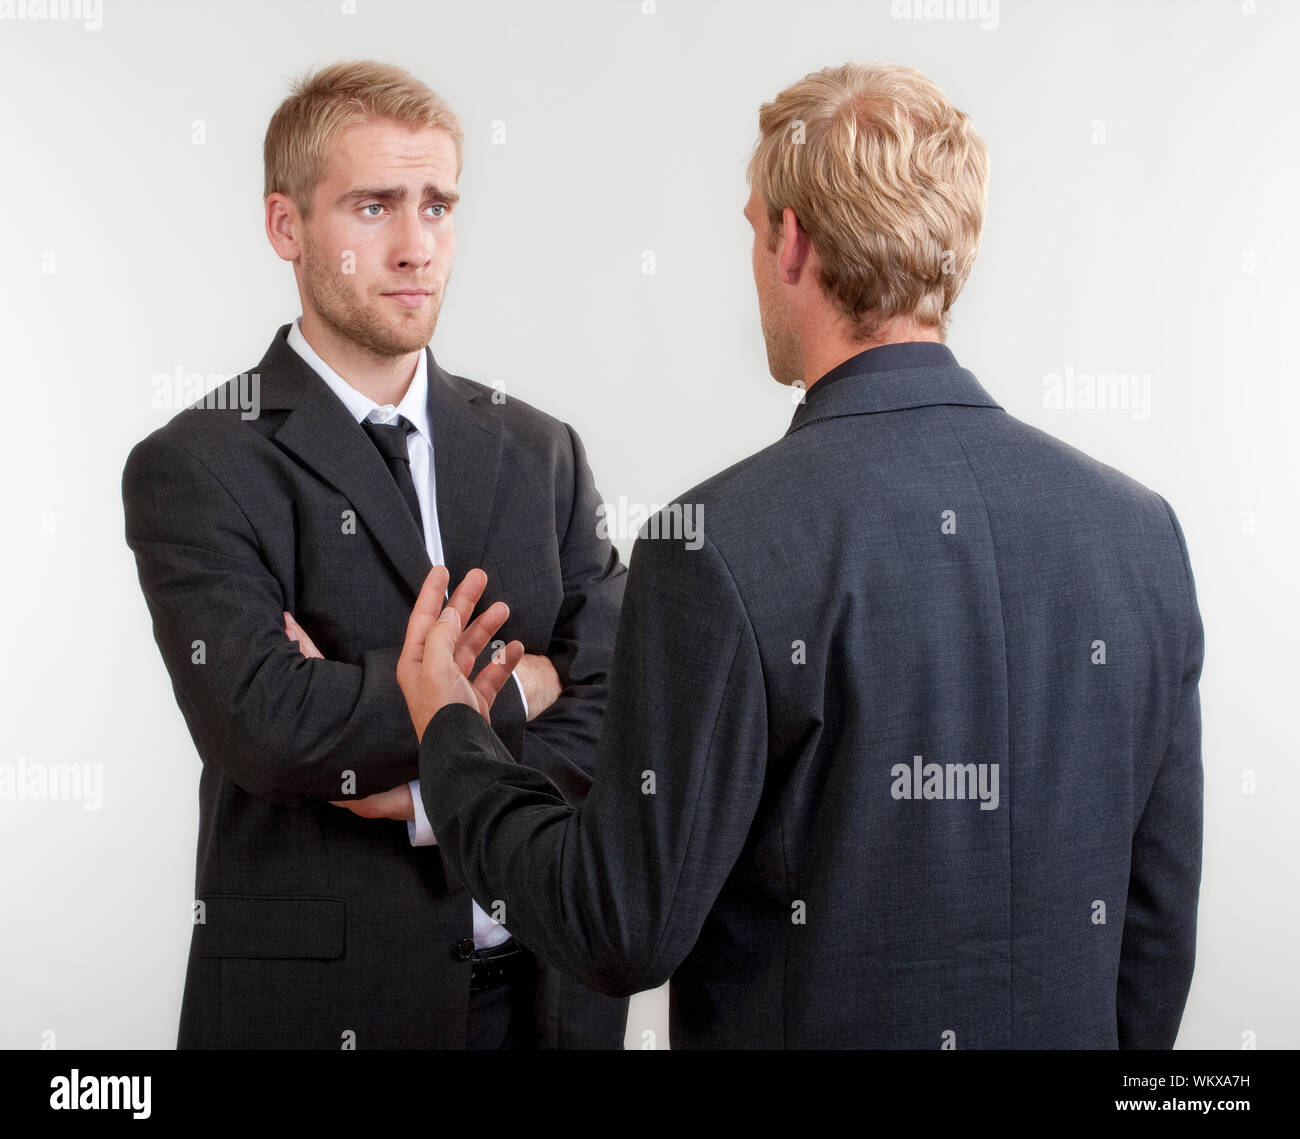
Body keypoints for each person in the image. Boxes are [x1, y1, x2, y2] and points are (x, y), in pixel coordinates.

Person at [353, 61, 1205, 1050]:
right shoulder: (1140, 532)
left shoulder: (712, 543)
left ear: (790, 239)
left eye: (754, 225)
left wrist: (454, 736)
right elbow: (1153, 928)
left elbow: (616, 925)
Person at [122, 59, 628, 1049]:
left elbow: (623, 702)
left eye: (437, 205)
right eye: (372, 205)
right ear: (286, 227)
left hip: (552, 998)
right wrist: (519, 685)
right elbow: (267, 725)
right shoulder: (199, 461)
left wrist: (440, 782)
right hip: (326, 1010)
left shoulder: (540, 449)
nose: (413, 245)